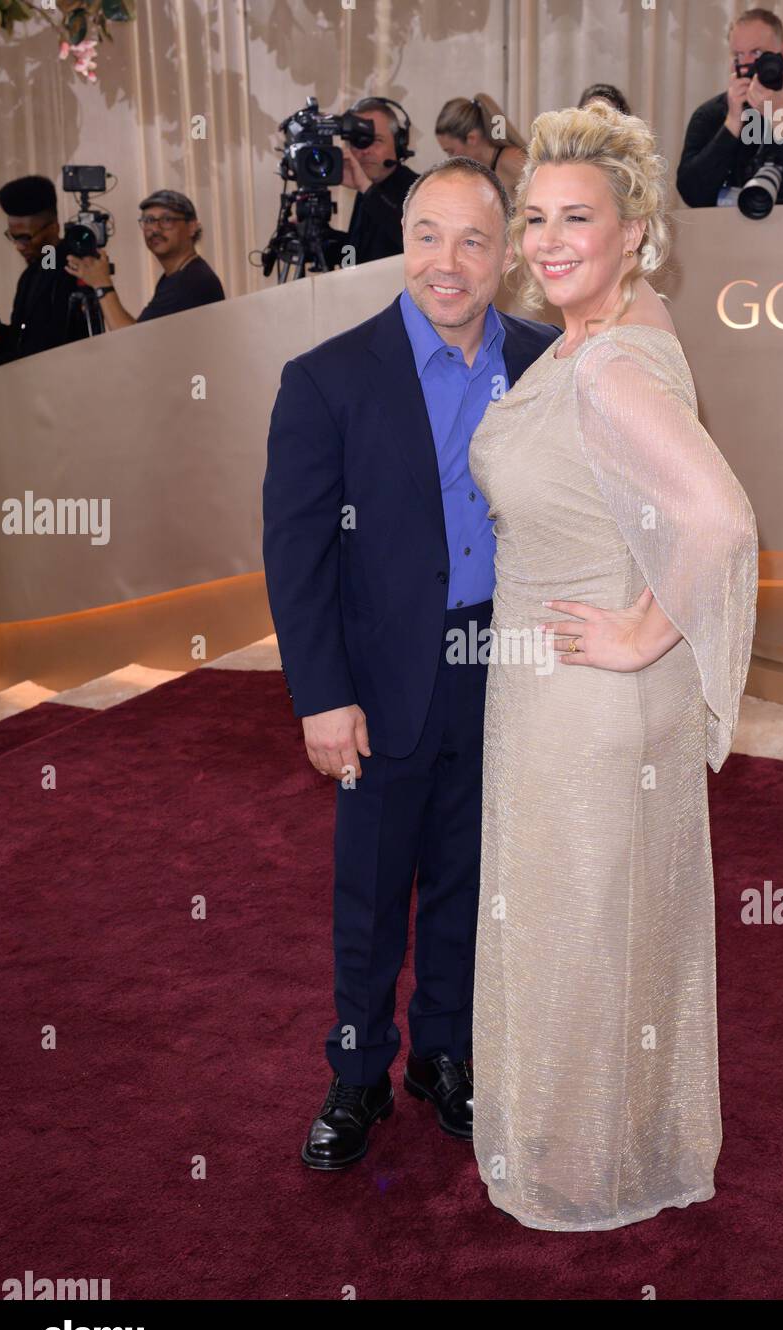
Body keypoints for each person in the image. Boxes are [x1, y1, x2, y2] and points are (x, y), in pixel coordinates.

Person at [468, 102, 759, 1230]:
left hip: (584, 695)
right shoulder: (612, 334)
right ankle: (619, 1137)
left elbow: (719, 520)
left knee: (574, 919)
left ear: (635, 227)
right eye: (532, 216)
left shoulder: (608, 367)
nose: (544, 240)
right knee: (597, 915)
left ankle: (582, 1168)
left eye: (573, 218)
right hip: (577, 692)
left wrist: (642, 629)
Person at [262, 156, 560, 1171]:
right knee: (374, 883)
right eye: (429, 235)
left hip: (509, 666)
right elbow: (296, 554)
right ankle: (358, 1073)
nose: (449, 261)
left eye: (474, 239)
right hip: (383, 676)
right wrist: (323, 696)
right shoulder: (327, 379)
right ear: (403, 242)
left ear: (508, 252)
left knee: (477, 877)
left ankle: (446, 1054)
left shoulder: (549, 360)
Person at [677, 7, 783, 207]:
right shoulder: (709, 114)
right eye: (738, 55)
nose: (746, 64)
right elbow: (692, 193)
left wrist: (778, 116)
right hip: (723, 233)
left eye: (757, 53)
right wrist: (732, 123)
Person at [63, 190, 224, 328]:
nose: (155, 228)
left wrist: (102, 284)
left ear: (192, 227)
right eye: (148, 220)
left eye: (167, 220)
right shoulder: (175, 276)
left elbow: (134, 342)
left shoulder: (193, 281)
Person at [0, 174, 87, 365]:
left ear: (53, 228)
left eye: (25, 238)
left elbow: (49, 346)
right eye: (13, 237)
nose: (19, 246)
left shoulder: (74, 269)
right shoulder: (36, 270)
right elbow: (22, 337)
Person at [342, 97, 419, 262]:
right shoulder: (369, 188)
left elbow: (413, 241)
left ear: (399, 144)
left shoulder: (419, 188)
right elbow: (360, 256)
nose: (365, 151)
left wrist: (366, 188)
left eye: (376, 140)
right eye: (359, 142)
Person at [435, 94, 528, 207]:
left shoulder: (511, 159)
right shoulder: (480, 171)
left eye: (451, 151)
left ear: (471, 139)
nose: (450, 158)